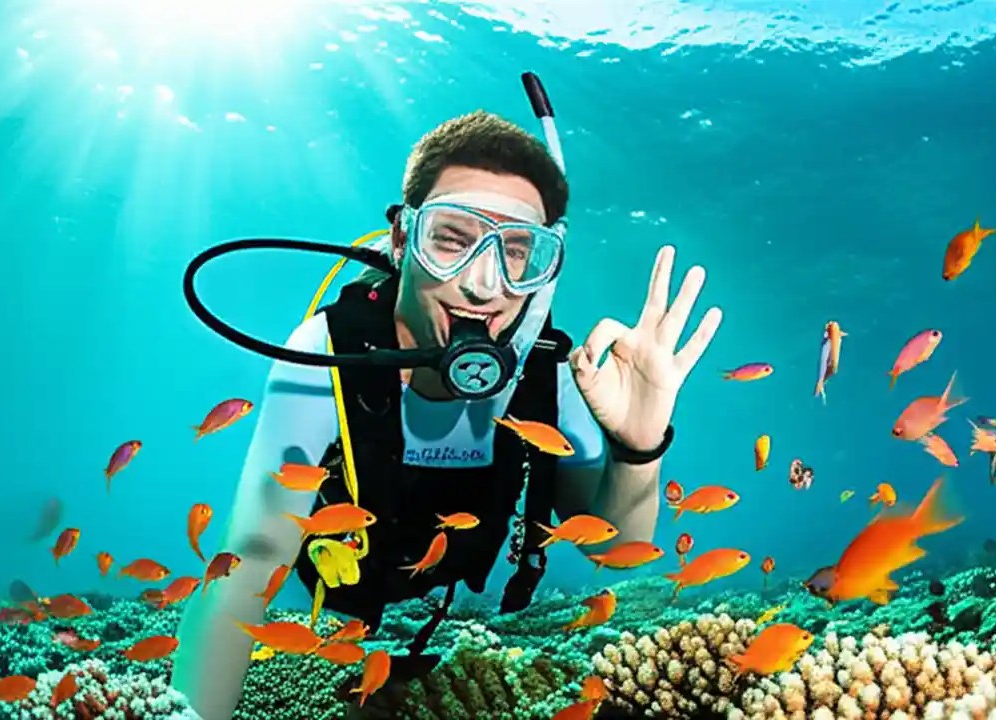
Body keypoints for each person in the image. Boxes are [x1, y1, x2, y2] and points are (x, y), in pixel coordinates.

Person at [172, 108, 722, 719]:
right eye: (451, 240)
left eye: (519, 252)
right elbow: (250, 563)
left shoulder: (549, 373)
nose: (483, 285)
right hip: (338, 586)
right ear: (402, 238)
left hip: (446, 589)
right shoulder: (327, 355)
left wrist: (638, 446)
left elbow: (618, 546)